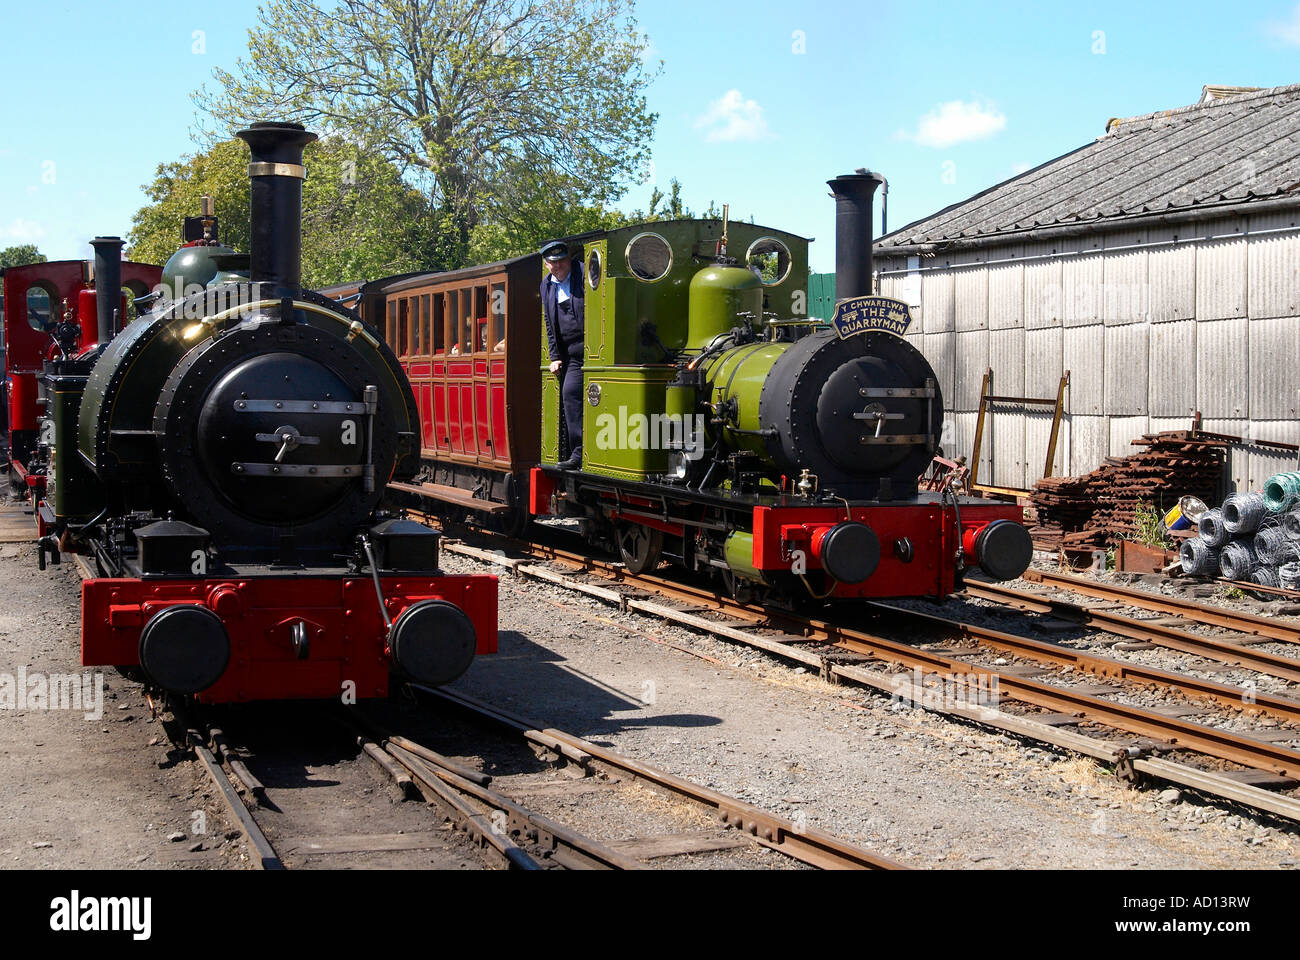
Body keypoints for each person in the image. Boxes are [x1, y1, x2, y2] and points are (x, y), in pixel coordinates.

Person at [540, 239, 584, 469]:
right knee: (570, 394)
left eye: (562, 261)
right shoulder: (546, 285)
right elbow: (549, 322)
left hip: (592, 347)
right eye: (553, 263)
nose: (558, 267)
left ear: (569, 260)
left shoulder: (583, 275)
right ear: (547, 264)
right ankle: (578, 453)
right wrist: (554, 356)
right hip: (571, 354)